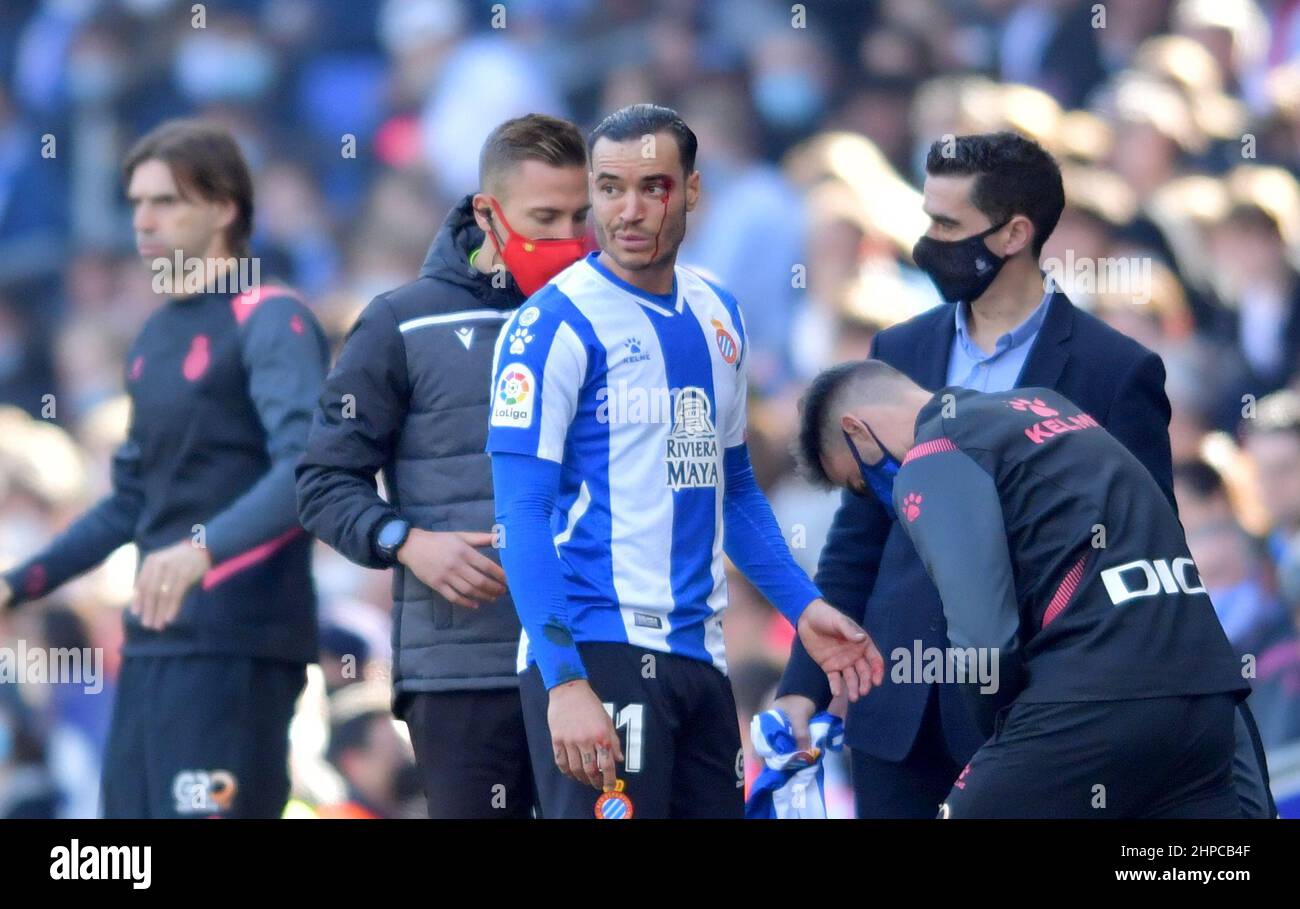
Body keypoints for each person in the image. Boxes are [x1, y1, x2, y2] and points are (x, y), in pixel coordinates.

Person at [487, 104, 882, 819]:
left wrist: (805, 605)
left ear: (692, 191)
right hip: (598, 646)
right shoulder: (550, 324)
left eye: (653, 187)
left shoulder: (718, 313)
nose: (629, 210)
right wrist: (564, 680)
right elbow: (520, 513)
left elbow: (730, 486)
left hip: (700, 657)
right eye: (609, 188)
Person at [774, 131, 1180, 818]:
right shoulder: (901, 347)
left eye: (946, 224)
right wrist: (803, 686)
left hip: (1033, 724)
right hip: (895, 719)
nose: (925, 241)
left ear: (1015, 232)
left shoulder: (1115, 371)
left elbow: (1141, 552)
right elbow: (860, 539)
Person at [0, 119, 329, 818]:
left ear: (224, 208)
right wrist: (19, 584)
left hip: (238, 638)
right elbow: (128, 503)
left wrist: (198, 551)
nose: (143, 221)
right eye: (137, 202)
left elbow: (305, 469)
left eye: (166, 201)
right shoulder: (153, 337)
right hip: (152, 643)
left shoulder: (271, 318)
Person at [796, 360, 1264, 817]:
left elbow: (985, 644)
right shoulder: (1048, 406)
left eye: (860, 479)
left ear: (856, 430)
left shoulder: (935, 454)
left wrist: (1000, 736)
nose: (877, 493)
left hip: (1096, 697)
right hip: (1204, 695)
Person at [296, 114, 592, 818]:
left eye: (580, 217)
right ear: (487, 213)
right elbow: (321, 479)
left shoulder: (610, 316)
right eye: (544, 218)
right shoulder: (400, 322)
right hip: (463, 672)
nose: (566, 240)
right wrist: (408, 542)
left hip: (597, 655)